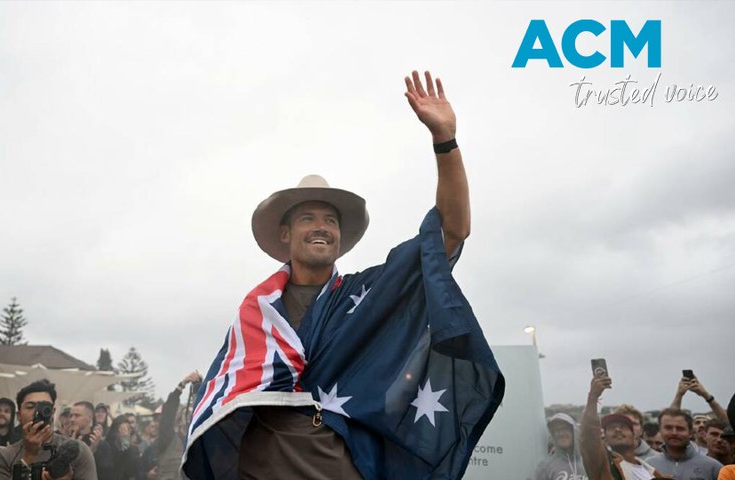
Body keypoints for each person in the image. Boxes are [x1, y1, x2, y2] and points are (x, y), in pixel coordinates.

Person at [183, 71, 503, 479]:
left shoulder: (369, 295)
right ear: (285, 234)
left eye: (330, 219)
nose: (322, 226)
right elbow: (221, 403)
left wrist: (445, 141)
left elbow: (453, 231)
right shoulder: (257, 313)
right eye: (308, 218)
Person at [0, 379, 96, 480]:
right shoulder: (2, 458)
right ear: (19, 416)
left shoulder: (76, 451)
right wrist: (29, 456)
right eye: (30, 406)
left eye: (45, 407)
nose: (37, 412)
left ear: (53, 412)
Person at [579, 372, 662, 479]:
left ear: (635, 434)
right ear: (605, 437)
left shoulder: (650, 471)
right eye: (611, 427)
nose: (618, 429)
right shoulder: (604, 466)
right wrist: (593, 397)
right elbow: (589, 436)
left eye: (624, 426)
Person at [139, 371, 201, 480]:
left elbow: (203, 410)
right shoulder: (168, 437)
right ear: (179, 419)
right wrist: (181, 385)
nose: (188, 416)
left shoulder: (197, 440)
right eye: (186, 413)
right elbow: (168, 413)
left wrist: (198, 387)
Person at [646, 408, 722, 480]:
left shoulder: (713, 467)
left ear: (691, 432)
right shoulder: (648, 465)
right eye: (668, 428)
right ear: (660, 430)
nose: (674, 433)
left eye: (680, 428)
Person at [534, 413, 588, 480]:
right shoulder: (545, 467)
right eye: (557, 430)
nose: (561, 433)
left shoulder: (588, 463)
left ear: (574, 432)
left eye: (565, 429)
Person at [94, 414, 139, 480]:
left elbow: (132, 471)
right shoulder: (106, 447)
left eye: (127, 430)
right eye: (122, 429)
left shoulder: (133, 449)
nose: (125, 433)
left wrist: (126, 443)